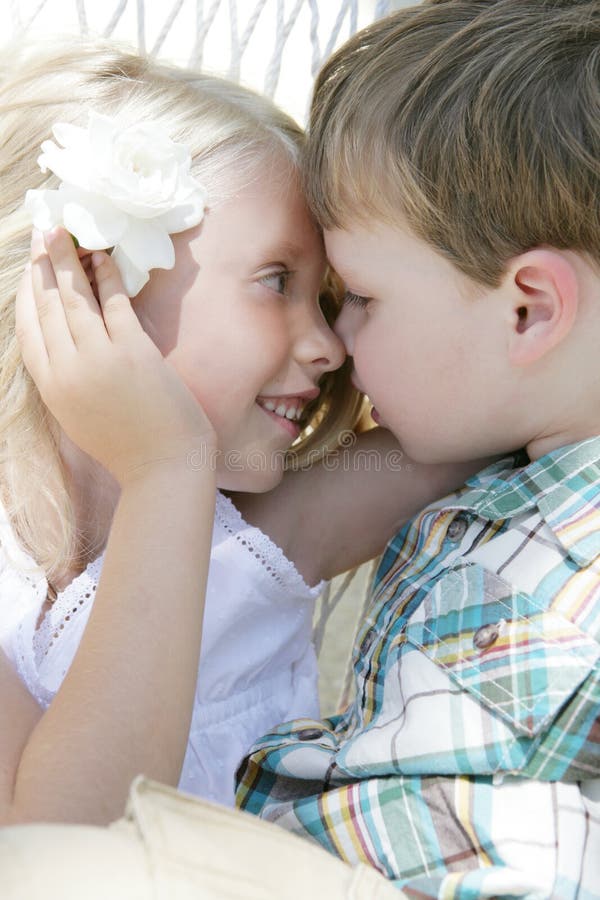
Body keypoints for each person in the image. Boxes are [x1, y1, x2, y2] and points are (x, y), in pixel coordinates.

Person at [0, 39, 482, 825]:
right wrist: (167, 470)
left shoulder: (265, 539)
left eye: (332, 297)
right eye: (277, 281)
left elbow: (490, 404)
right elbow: (60, 847)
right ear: (92, 282)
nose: (327, 344)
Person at [234, 0, 600, 897]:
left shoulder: (555, 593)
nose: (335, 342)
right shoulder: (502, 459)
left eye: (358, 294)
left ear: (530, 310)